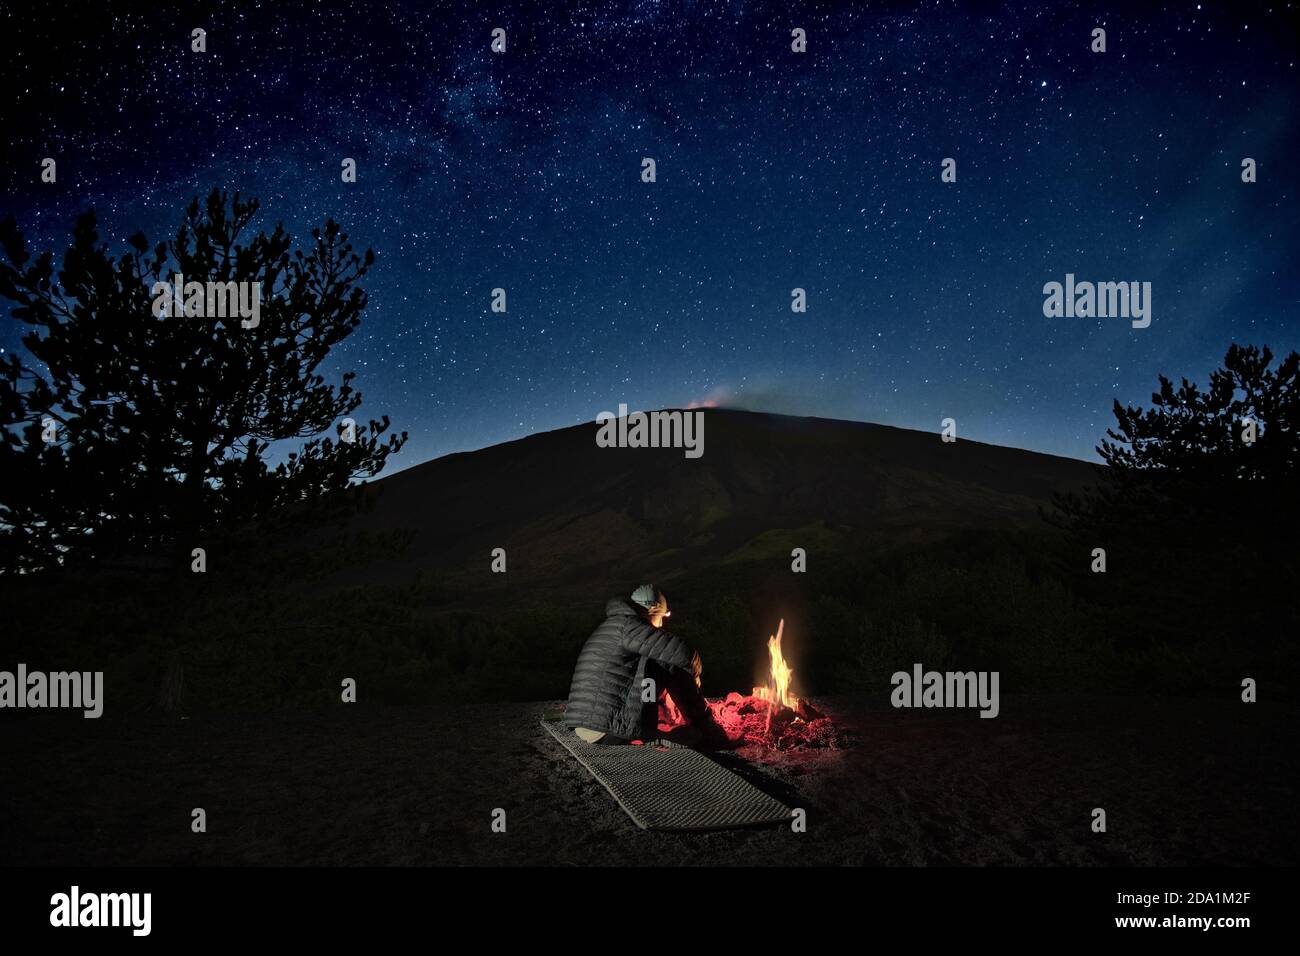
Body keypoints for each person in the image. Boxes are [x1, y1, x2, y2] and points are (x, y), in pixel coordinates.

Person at [562, 585, 735, 748]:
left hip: (588, 727)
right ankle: (706, 728)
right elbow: (683, 653)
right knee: (670, 664)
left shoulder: (613, 626)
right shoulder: (630, 627)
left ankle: (659, 724)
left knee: (654, 664)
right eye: (663, 617)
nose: (662, 624)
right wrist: (695, 673)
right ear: (653, 611)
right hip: (609, 730)